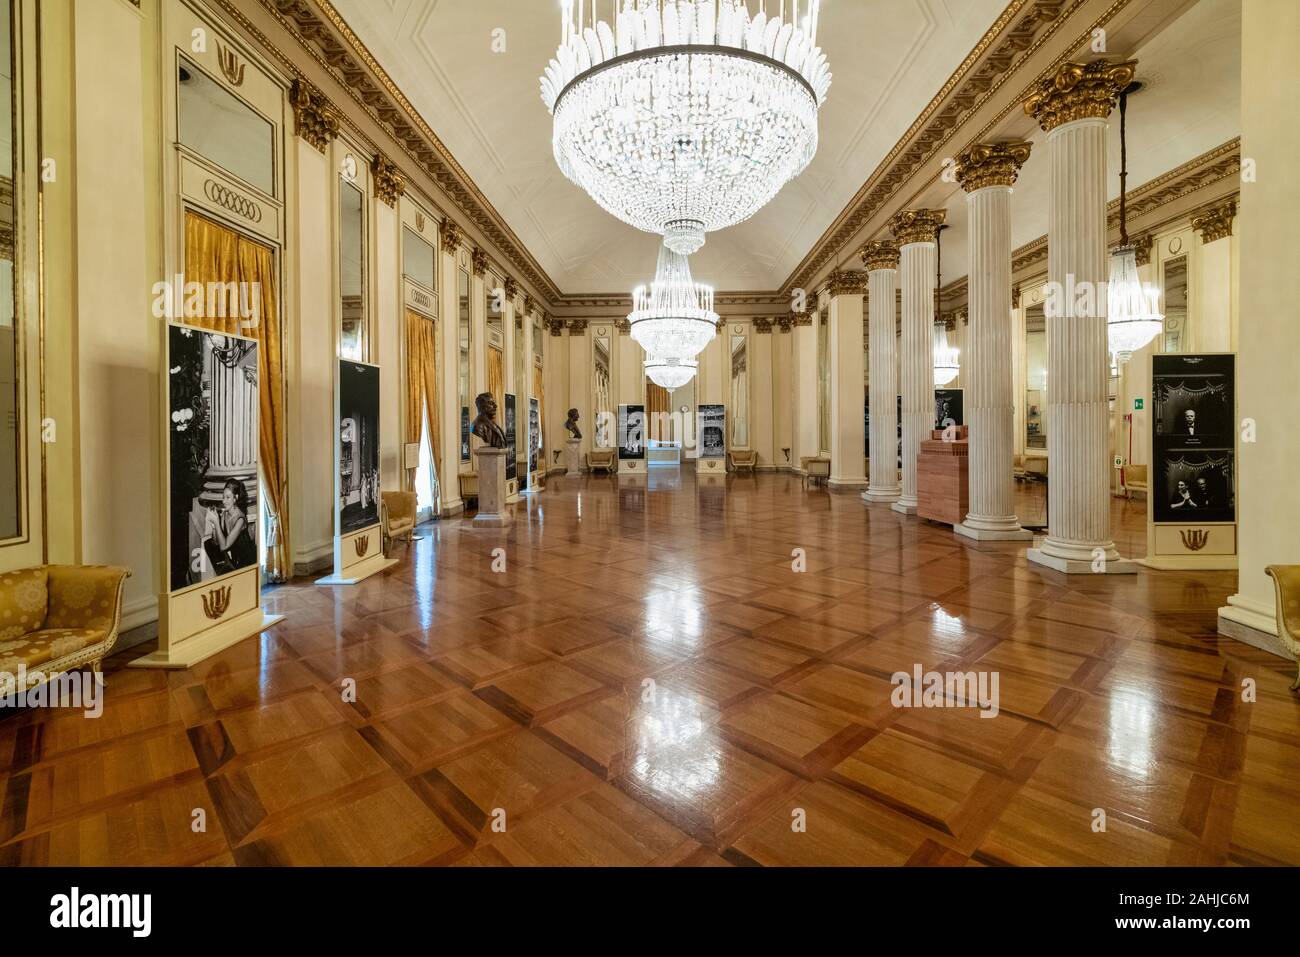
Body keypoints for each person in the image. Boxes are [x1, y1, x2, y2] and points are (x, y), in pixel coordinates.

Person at [203, 479, 256, 575]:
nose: (224, 501)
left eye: (228, 497)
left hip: (248, 565)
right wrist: (214, 525)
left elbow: (224, 547)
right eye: (223, 497)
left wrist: (217, 523)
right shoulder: (225, 514)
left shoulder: (240, 519)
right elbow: (216, 543)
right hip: (236, 563)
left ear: (235, 498)